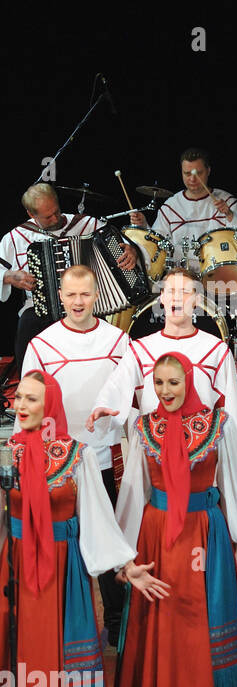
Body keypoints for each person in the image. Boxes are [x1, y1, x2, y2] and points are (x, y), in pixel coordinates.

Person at [0, 371, 167, 687]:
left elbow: (97, 520)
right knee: (17, 668)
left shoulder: (77, 457)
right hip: (17, 572)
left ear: (49, 405)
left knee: (60, 668)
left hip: (61, 575)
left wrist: (126, 567)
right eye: (19, 397)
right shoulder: (7, 455)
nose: (21, 406)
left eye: (32, 400)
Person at [111, 353, 237, 687]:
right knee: (164, 635)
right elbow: (135, 491)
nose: (165, 391)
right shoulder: (143, 428)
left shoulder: (219, 424)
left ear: (189, 381)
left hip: (205, 534)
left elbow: (231, 484)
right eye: (158, 383)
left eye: (173, 382)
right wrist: (125, 556)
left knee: (204, 632)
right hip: (158, 537)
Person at [23, 265, 130, 641]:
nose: (78, 302)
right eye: (71, 295)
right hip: (61, 466)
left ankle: (117, 627)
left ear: (96, 295)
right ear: (60, 296)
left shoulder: (119, 341)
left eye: (85, 294)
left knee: (110, 542)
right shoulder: (42, 345)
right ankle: (68, 629)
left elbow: (132, 398)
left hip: (106, 460)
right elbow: (28, 408)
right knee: (66, 548)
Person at [87, 267, 237, 482]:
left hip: (200, 460)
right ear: (162, 298)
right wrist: (102, 405)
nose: (177, 297)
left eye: (184, 292)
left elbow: (232, 411)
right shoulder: (140, 350)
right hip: (154, 460)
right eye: (170, 291)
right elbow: (116, 386)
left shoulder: (216, 350)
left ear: (196, 300)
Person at [2, 183, 139, 379]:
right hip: (42, 306)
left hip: (93, 303)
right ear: (32, 215)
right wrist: (9, 276)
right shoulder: (17, 237)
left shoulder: (87, 225)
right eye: (47, 217)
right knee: (27, 326)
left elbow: (125, 244)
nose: (56, 218)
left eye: (56, 211)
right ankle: (31, 388)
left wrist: (131, 250)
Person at [128, 147, 237, 271]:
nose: (192, 179)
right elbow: (157, 246)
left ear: (208, 171)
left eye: (198, 173)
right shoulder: (171, 206)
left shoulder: (226, 200)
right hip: (180, 276)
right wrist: (144, 226)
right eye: (187, 174)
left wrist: (229, 214)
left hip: (217, 273)